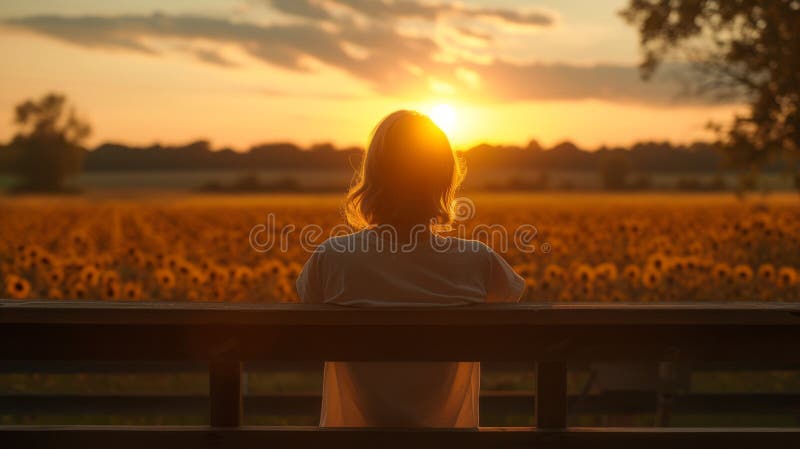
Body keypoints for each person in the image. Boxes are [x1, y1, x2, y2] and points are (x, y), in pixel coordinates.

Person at [296, 110, 524, 428]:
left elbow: (308, 299)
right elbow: (510, 298)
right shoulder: (479, 263)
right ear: (445, 179)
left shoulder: (332, 259)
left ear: (372, 176)